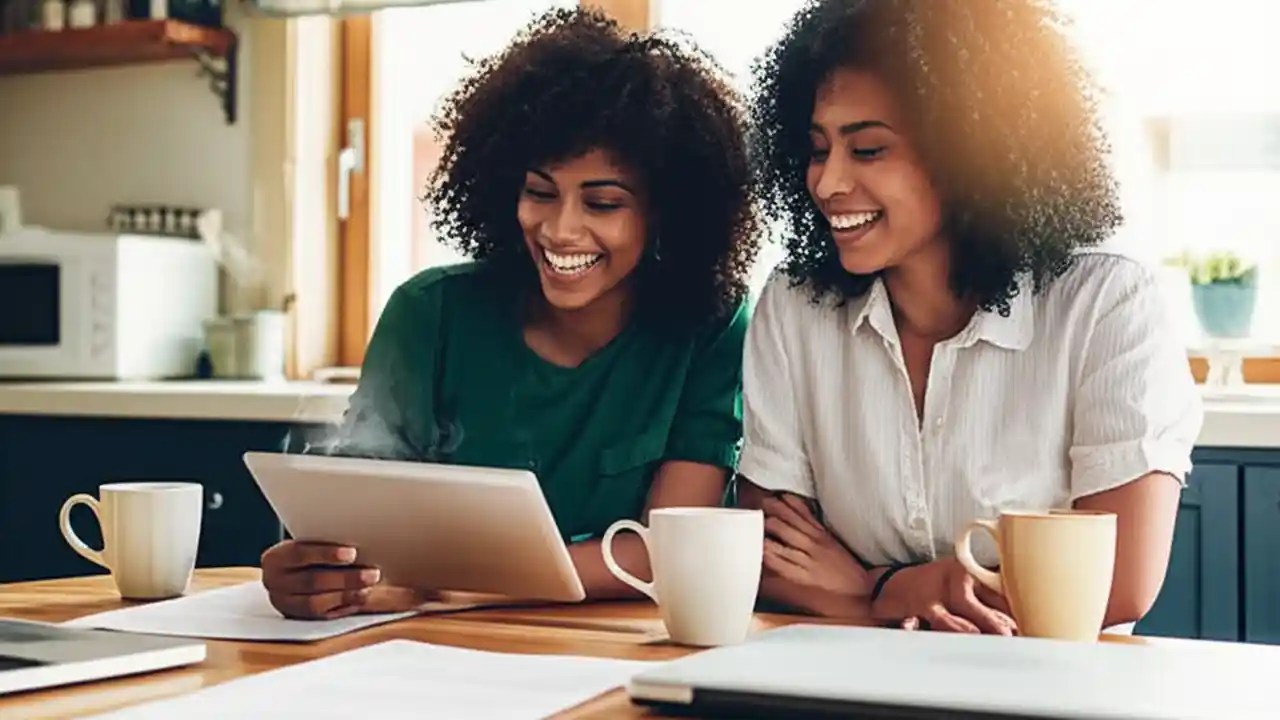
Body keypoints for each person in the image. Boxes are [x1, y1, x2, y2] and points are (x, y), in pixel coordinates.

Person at [261, 8, 760, 619]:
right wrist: (316, 570)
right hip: (431, 651)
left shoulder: (712, 326)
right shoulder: (430, 314)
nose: (559, 228)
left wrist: (450, 586)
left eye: (602, 202)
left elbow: (671, 549)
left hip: (617, 653)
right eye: (539, 192)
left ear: (666, 214)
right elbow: (359, 533)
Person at [736, 0, 1203, 634]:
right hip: (846, 680)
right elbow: (773, 558)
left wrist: (871, 588)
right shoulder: (794, 307)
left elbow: (1116, 585)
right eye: (818, 149)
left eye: (869, 150)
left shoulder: (1106, 306)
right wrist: (900, 595)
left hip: (1048, 689)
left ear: (971, 154)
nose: (827, 183)